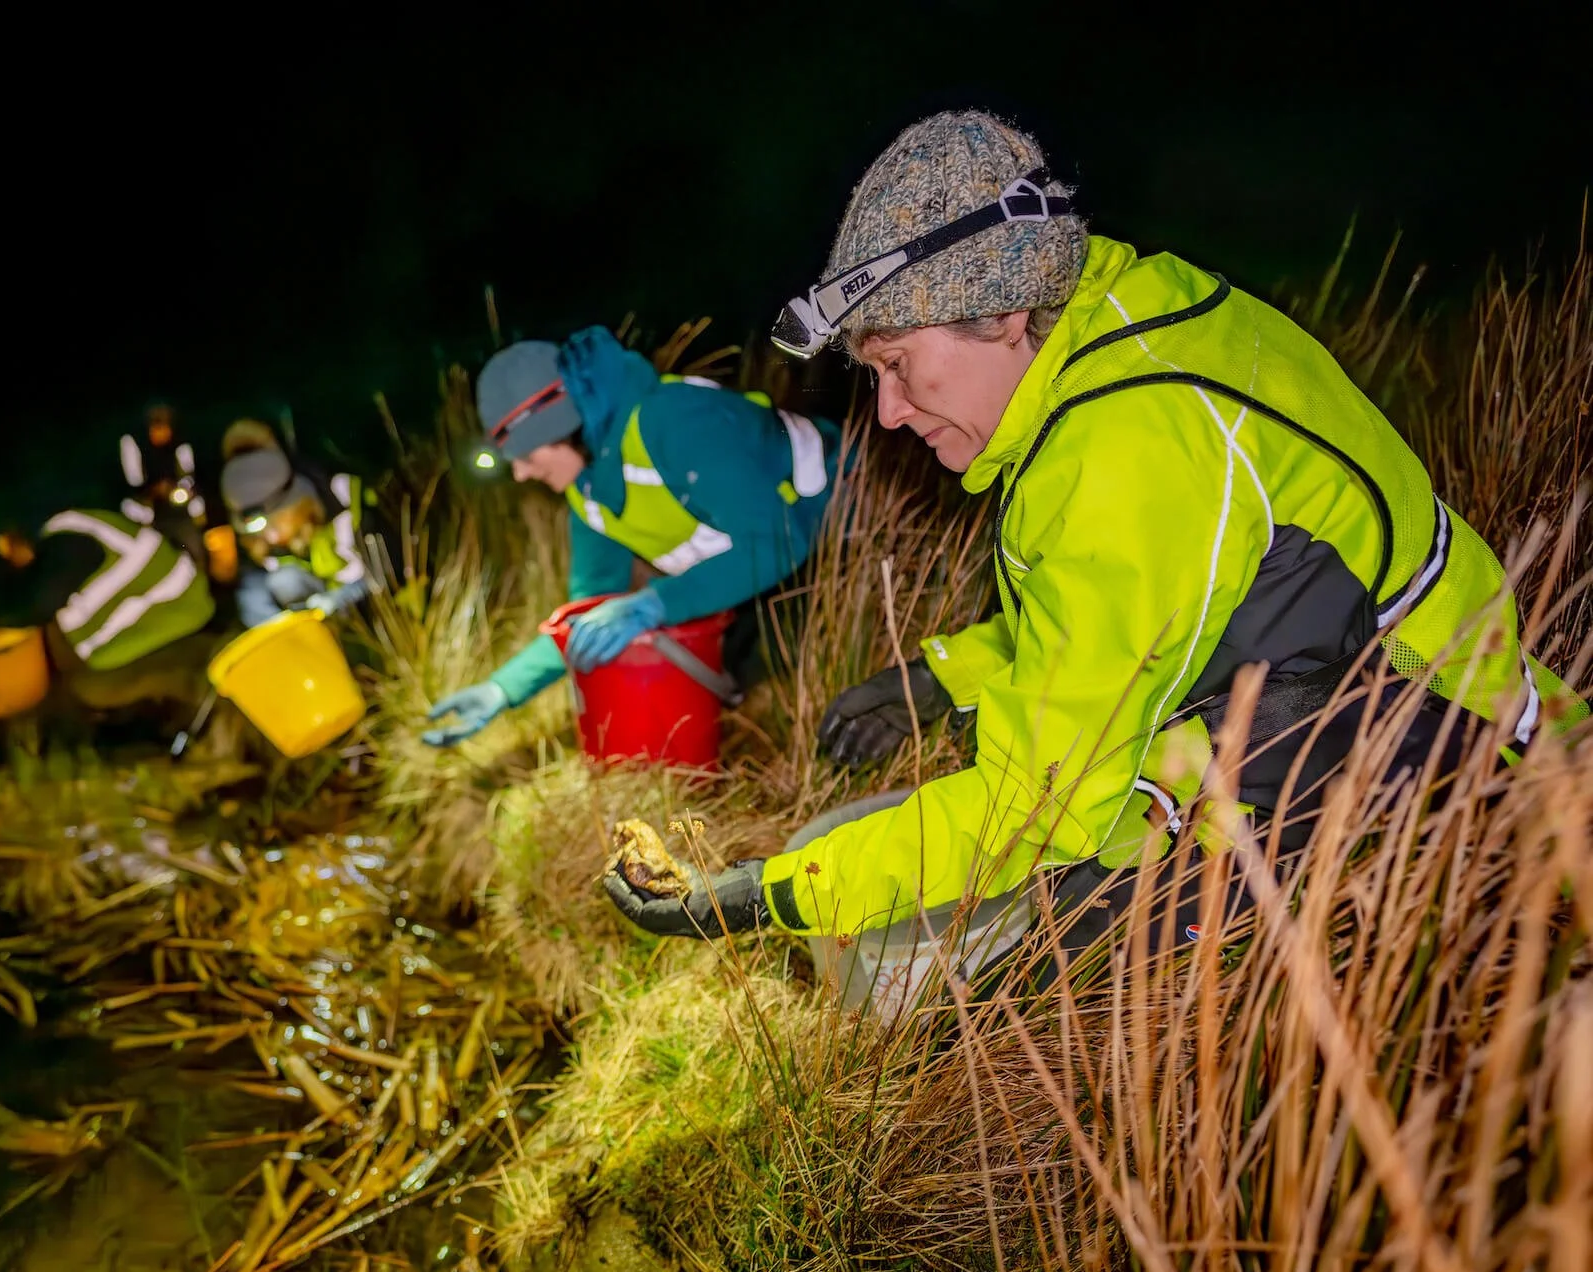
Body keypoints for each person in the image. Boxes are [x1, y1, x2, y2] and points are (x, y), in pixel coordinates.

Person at [603, 109, 1586, 952]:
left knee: (1060, 952)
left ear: (1003, 315)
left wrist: (766, 893)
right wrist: (942, 676)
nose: (890, 412)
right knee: (1062, 839)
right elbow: (1131, 607)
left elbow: (1038, 804)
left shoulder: (1124, 450)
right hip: (1325, 690)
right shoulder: (1117, 314)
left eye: (899, 364)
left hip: (1461, 777)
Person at [420, 326, 845, 747]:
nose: (520, 474)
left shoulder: (675, 422)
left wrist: (655, 603)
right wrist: (503, 689)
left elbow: (776, 542)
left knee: (779, 695)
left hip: (845, 532)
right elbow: (590, 616)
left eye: (528, 456)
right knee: (731, 682)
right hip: (769, 577)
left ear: (564, 428)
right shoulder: (588, 494)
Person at [0, 505, 218, 714]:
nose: (9, 558)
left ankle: (201, 688)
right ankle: (192, 694)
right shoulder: (67, 537)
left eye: (7, 548)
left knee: (95, 686)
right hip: (164, 614)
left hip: (176, 611)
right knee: (87, 672)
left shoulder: (65, 540)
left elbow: (38, 603)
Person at [217, 419, 373, 628]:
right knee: (280, 581)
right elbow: (252, 584)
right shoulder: (250, 521)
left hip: (365, 604)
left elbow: (387, 572)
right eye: (259, 530)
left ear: (298, 505)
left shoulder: (341, 497)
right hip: (310, 613)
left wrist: (340, 598)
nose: (270, 537)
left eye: (276, 523)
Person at [119, 404, 208, 528]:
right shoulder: (134, 446)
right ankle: (146, 532)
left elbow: (188, 475)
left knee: (197, 504)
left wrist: (178, 487)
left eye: (164, 427)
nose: (160, 433)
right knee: (131, 507)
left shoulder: (181, 446)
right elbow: (134, 481)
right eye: (156, 427)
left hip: (176, 495)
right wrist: (154, 490)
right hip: (147, 499)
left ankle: (201, 531)